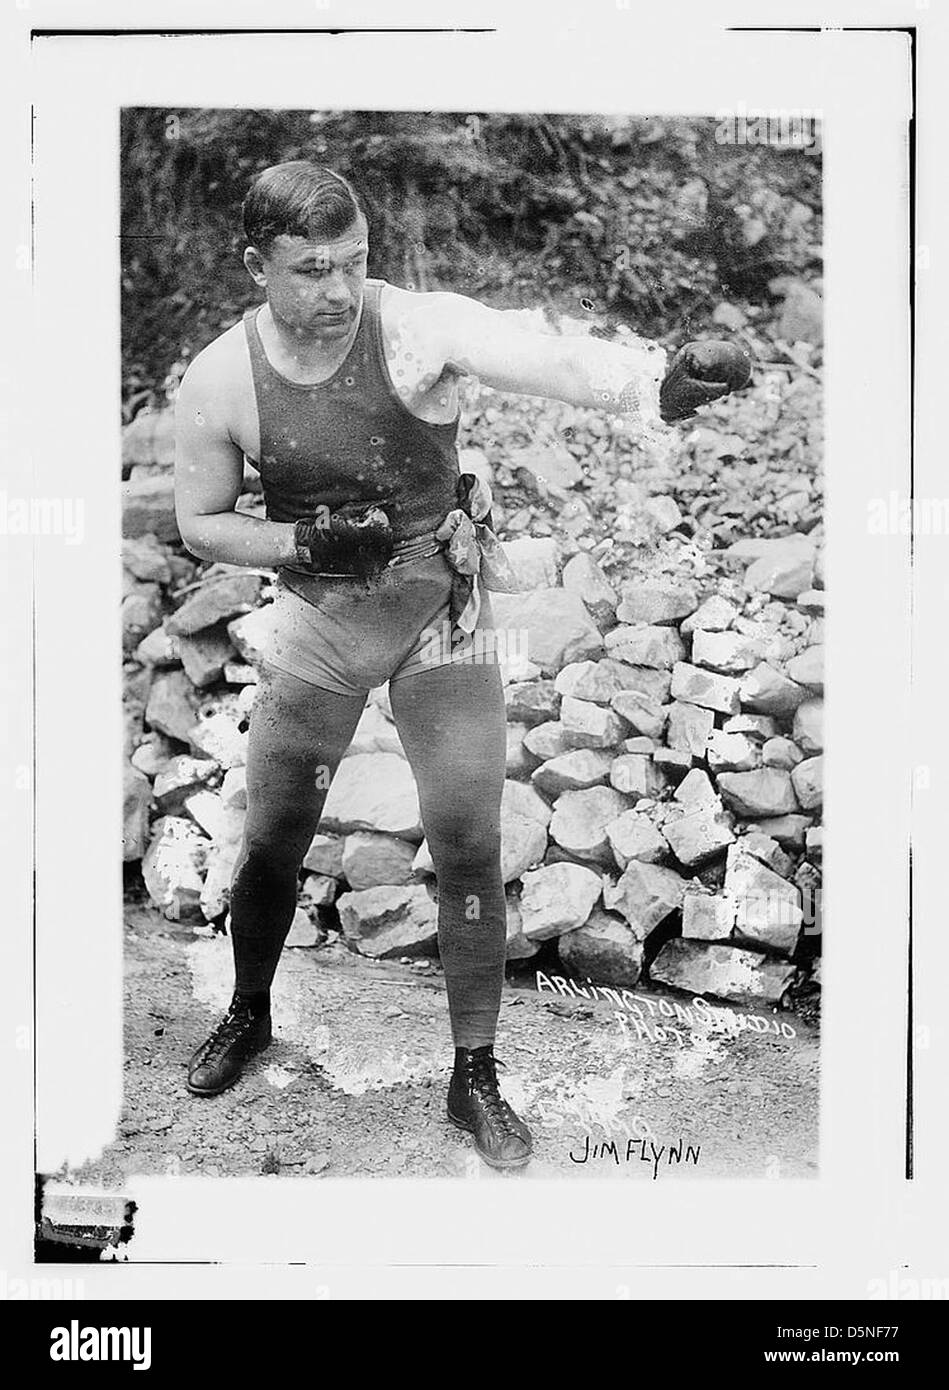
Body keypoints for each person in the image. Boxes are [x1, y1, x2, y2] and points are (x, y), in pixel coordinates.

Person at [173, 160, 750, 1170]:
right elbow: (199, 523)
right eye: (311, 269)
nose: (339, 290)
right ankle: (250, 1010)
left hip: (446, 605)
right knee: (272, 836)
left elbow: (536, 354)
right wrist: (301, 546)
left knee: (470, 839)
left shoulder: (413, 328)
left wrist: (653, 381)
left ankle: (473, 1070)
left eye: (353, 263)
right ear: (253, 264)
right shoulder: (221, 377)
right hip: (324, 619)